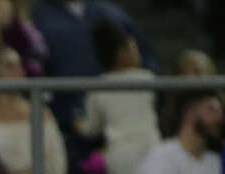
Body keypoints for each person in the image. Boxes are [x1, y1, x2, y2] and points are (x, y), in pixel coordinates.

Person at [30, 0, 157, 129]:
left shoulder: (110, 11)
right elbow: (33, 67)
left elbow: (144, 57)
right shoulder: (39, 16)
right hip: (66, 122)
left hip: (117, 120)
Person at [74, 19, 161, 174]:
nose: (139, 54)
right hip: (151, 150)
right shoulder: (147, 78)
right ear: (122, 53)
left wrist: (77, 123)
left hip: (120, 156)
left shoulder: (98, 86)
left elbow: (90, 129)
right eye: (134, 49)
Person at [0, 46, 67, 174]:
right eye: (9, 66)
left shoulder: (41, 113)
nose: (20, 72)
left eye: (20, 65)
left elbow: (57, 162)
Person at [132, 91, 223, 174]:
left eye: (220, 112)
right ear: (190, 113)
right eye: (212, 110)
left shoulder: (214, 161)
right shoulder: (163, 155)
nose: (220, 118)